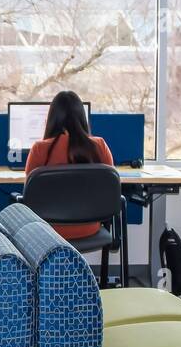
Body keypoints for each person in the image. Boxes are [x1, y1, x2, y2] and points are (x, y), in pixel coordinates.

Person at [23, 90, 116, 241]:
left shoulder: (39, 149)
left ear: (52, 118)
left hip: (49, 229)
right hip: (89, 227)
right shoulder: (99, 145)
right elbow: (110, 186)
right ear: (82, 117)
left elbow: (29, 190)